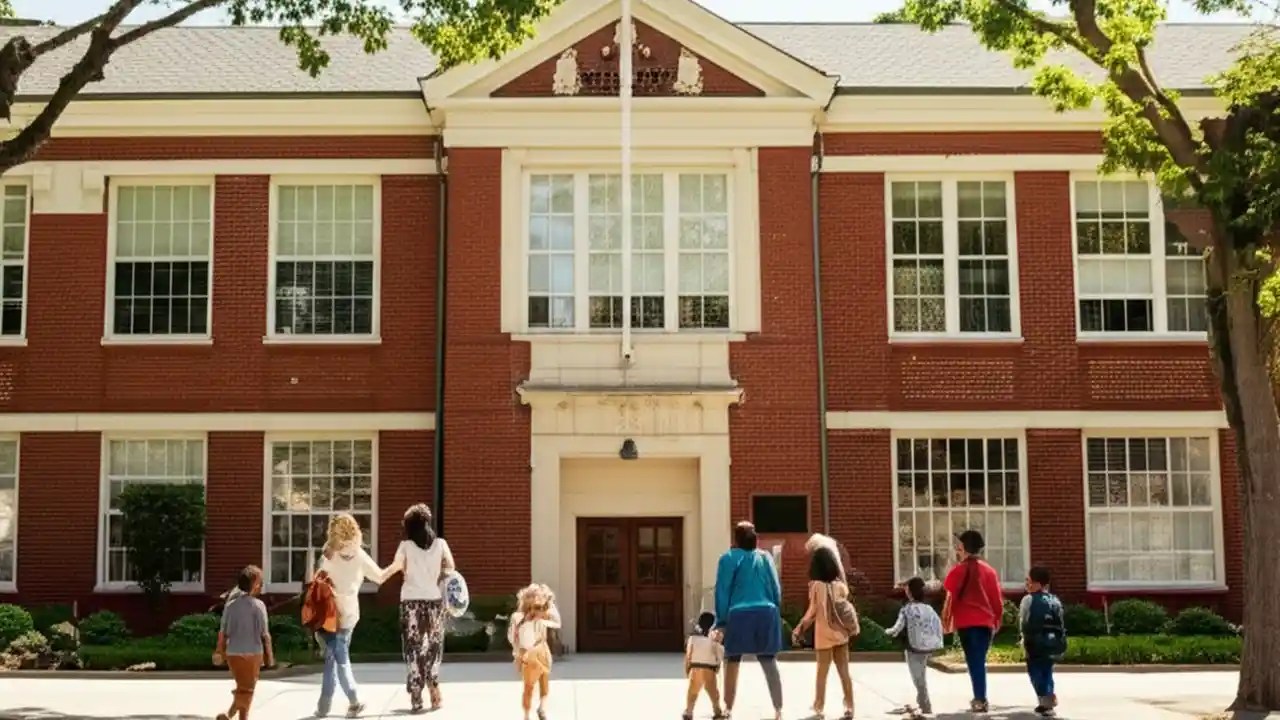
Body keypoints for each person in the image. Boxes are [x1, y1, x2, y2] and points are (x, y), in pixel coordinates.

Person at [313, 513, 391, 718]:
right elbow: (381, 577)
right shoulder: (360, 555)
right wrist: (398, 565)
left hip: (329, 614)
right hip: (349, 615)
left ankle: (333, 704)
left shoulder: (329, 555)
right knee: (338, 657)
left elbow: (317, 580)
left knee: (335, 659)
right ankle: (342, 703)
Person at [381, 503, 455, 713]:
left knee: (413, 648)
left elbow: (395, 567)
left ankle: (416, 696)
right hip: (433, 600)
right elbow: (451, 567)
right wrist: (435, 574)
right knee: (433, 646)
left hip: (410, 602)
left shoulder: (405, 546)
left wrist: (379, 576)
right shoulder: (441, 544)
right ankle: (434, 688)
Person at [713, 521, 784, 720]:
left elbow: (722, 591)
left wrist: (721, 621)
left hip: (739, 614)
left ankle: (728, 709)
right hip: (766, 612)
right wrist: (776, 608)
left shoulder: (727, 558)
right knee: (769, 661)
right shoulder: (765, 557)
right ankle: (778, 709)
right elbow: (775, 588)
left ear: (736, 537)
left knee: (732, 660)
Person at [941, 530, 1004, 714]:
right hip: (986, 623)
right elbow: (996, 599)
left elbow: (950, 598)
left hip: (967, 624)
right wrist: (997, 619)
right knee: (978, 660)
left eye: (958, 546)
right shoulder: (989, 571)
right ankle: (979, 696)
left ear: (963, 548)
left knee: (974, 661)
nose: (956, 549)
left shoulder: (957, 571)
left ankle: (980, 699)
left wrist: (946, 621)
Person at [791, 541, 856, 720]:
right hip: (841, 634)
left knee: (822, 672)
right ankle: (849, 706)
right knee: (844, 672)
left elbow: (812, 612)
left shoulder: (816, 586)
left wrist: (799, 628)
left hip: (824, 635)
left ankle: (819, 706)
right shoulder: (840, 586)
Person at [213, 566, 273, 720]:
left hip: (233, 654)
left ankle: (236, 717)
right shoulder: (259, 606)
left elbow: (223, 633)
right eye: (259, 582)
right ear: (253, 584)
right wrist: (270, 656)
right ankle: (228, 715)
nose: (261, 585)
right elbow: (265, 634)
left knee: (243, 688)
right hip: (253, 653)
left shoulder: (230, 606)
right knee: (248, 690)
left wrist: (220, 651)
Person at [886, 577, 945, 719]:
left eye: (907, 590)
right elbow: (938, 626)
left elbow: (897, 628)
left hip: (913, 647)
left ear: (911, 592)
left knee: (917, 677)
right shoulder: (929, 609)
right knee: (922, 674)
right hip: (928, 646)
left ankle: (925, 704)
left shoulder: (907, 609)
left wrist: (887, 632)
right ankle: (922, 702)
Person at [508, 583, 561, 720]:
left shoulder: (541, 617)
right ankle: (530, 714)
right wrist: (517, 655)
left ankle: (540, 709)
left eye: (539, 606)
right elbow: (512, 638)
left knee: (541, 681)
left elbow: (557, 622)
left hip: (539, 649)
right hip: (528, 653)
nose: (536, 610)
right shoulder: (518, 618)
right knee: (530, 686)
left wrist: (549, 606)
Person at [1019, 567, 1066, 718]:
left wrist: (1023, 640)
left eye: (1029, 581)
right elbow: (1061, 622)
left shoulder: (1028, 600)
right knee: (1047, 671)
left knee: (1035, 672)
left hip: (1034, 643)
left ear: (1038, 584)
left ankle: (1046, 699)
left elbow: (1023, 621)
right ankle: (1046, 701)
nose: (1027, 584)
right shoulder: (1055, 600)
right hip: (1052, 643)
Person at [684, 611, 726, 720]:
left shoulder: (692, 638)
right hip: (709, 668)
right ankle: (717, 711)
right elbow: (719, 655)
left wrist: (687, 668)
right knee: (713, 692)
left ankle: (689, 711)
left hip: (695, 667)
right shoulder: (714, 640)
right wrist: (717, 666)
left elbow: (688, 654)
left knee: (692, 692)